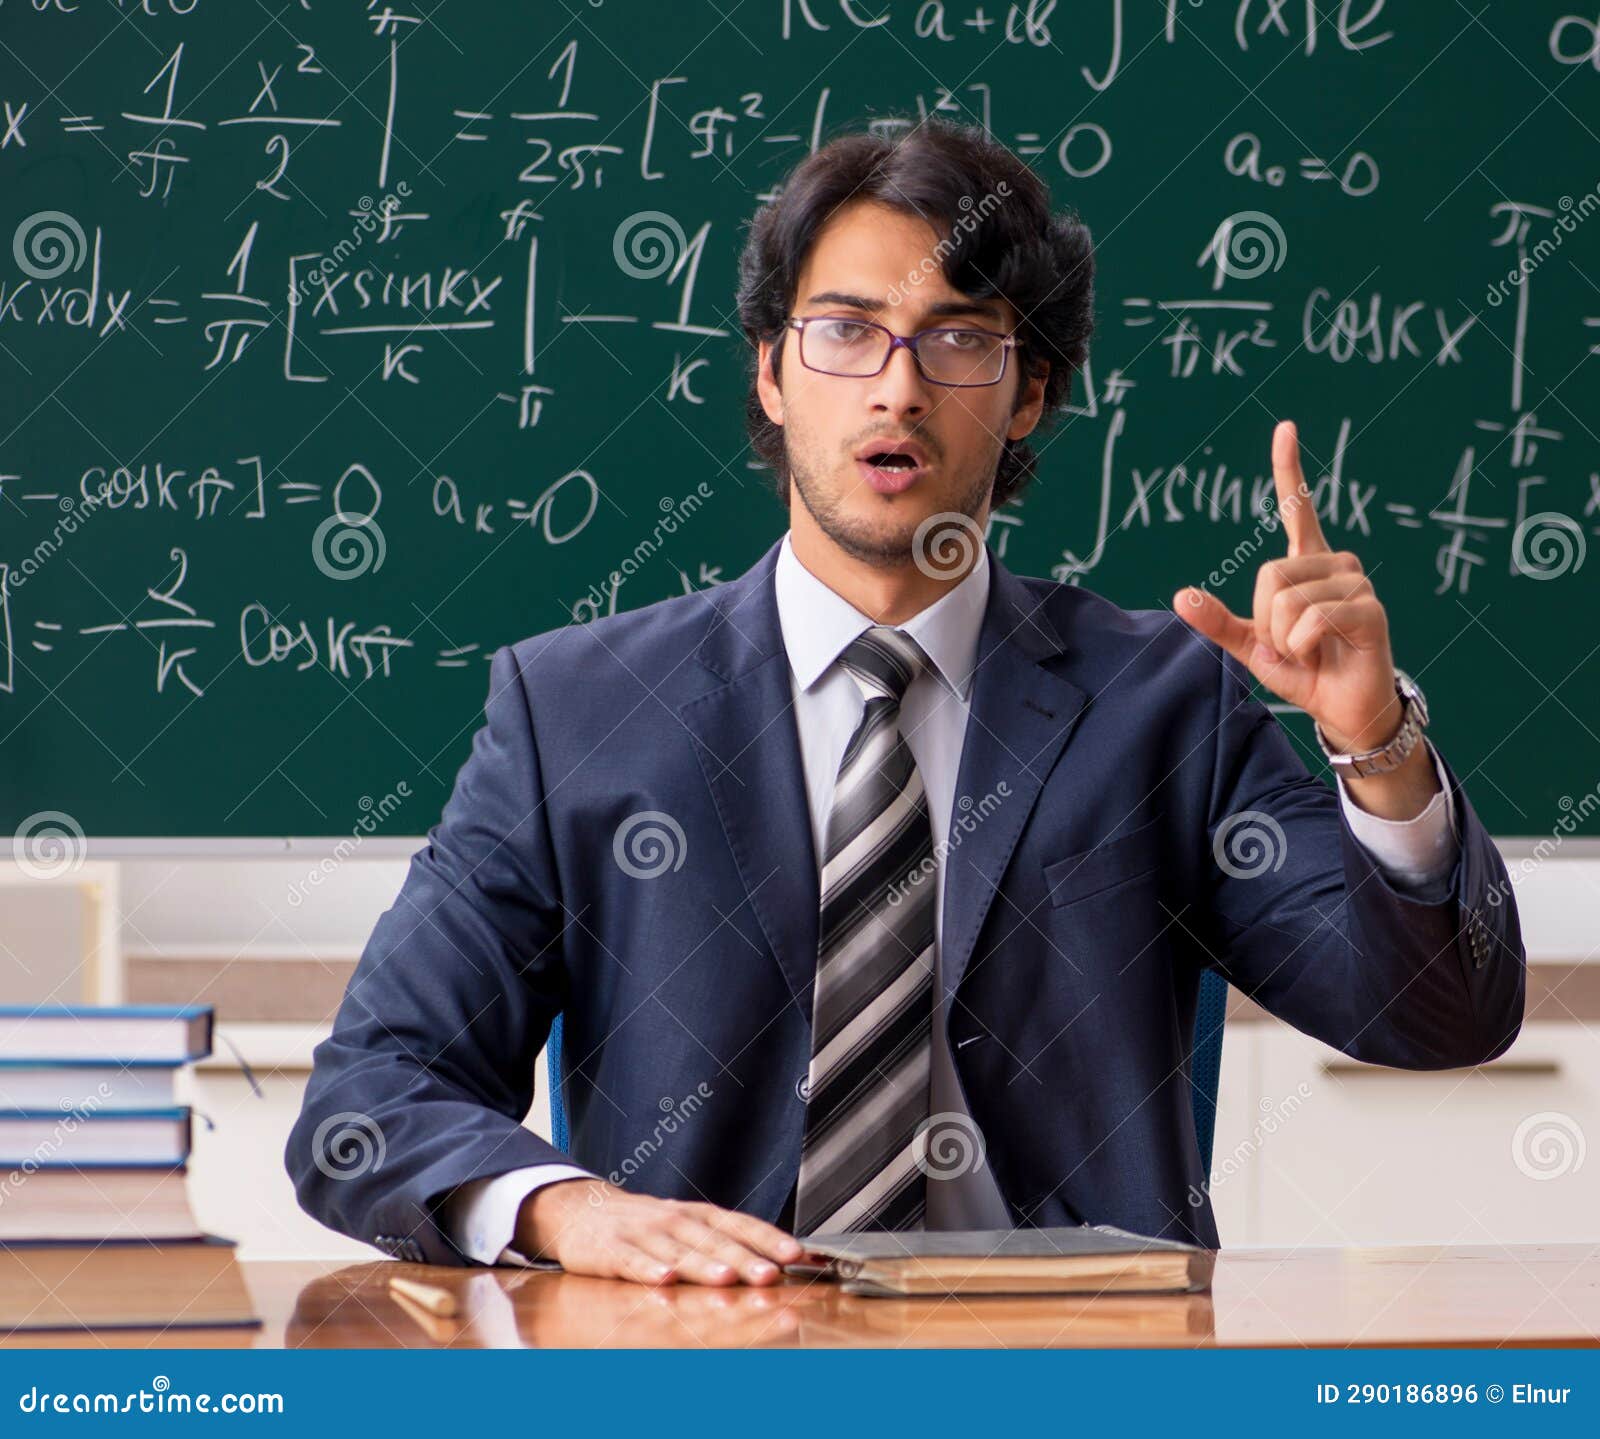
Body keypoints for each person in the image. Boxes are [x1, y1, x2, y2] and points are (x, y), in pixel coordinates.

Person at [287, 119, 1524, 1286]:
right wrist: (574, 1211)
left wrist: (1374, 742)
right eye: (844, 330)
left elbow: (1438, 1017)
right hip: (701, 1367)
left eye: (956, 339)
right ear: (771, 373)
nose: (897, 387)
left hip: (1069, 1375)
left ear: (1029, 391)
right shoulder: (577, 708)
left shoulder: (1159, 699)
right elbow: (368, 1096)